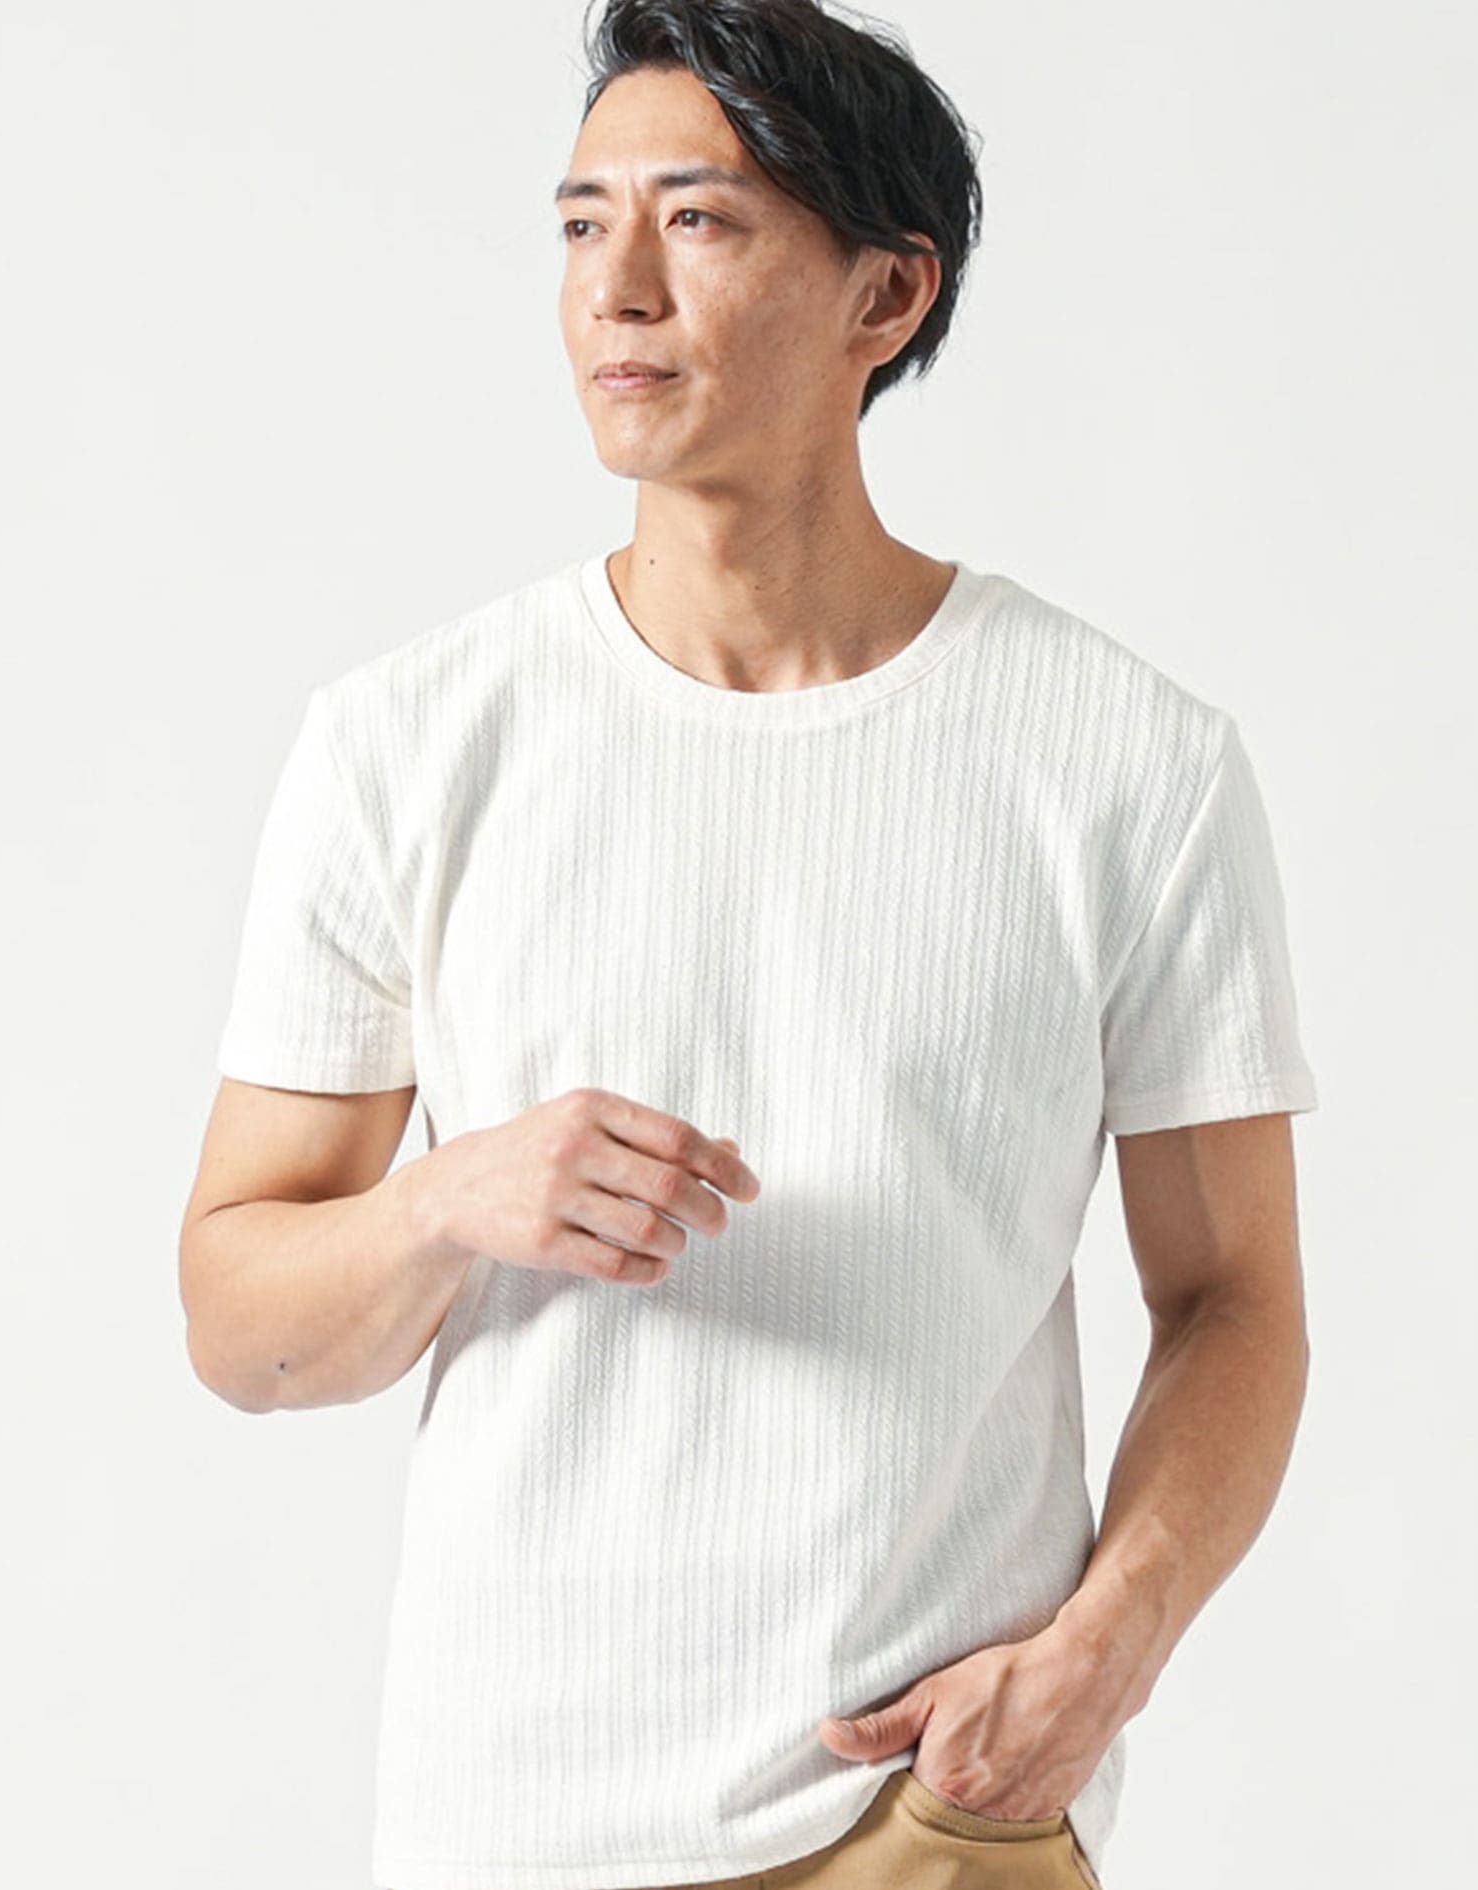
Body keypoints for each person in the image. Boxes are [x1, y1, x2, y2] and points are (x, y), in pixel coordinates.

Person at [179, 3, 1319, 1887]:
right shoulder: (405, 742)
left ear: (886, 294)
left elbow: (1235, 1298)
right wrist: (448, 1200)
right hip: (514, 1825)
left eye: (697, 220)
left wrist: (1102, 1657)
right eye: (581, 222)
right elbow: (239, 1321)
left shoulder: (1130, 762)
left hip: (934, 1807)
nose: (614, 287)